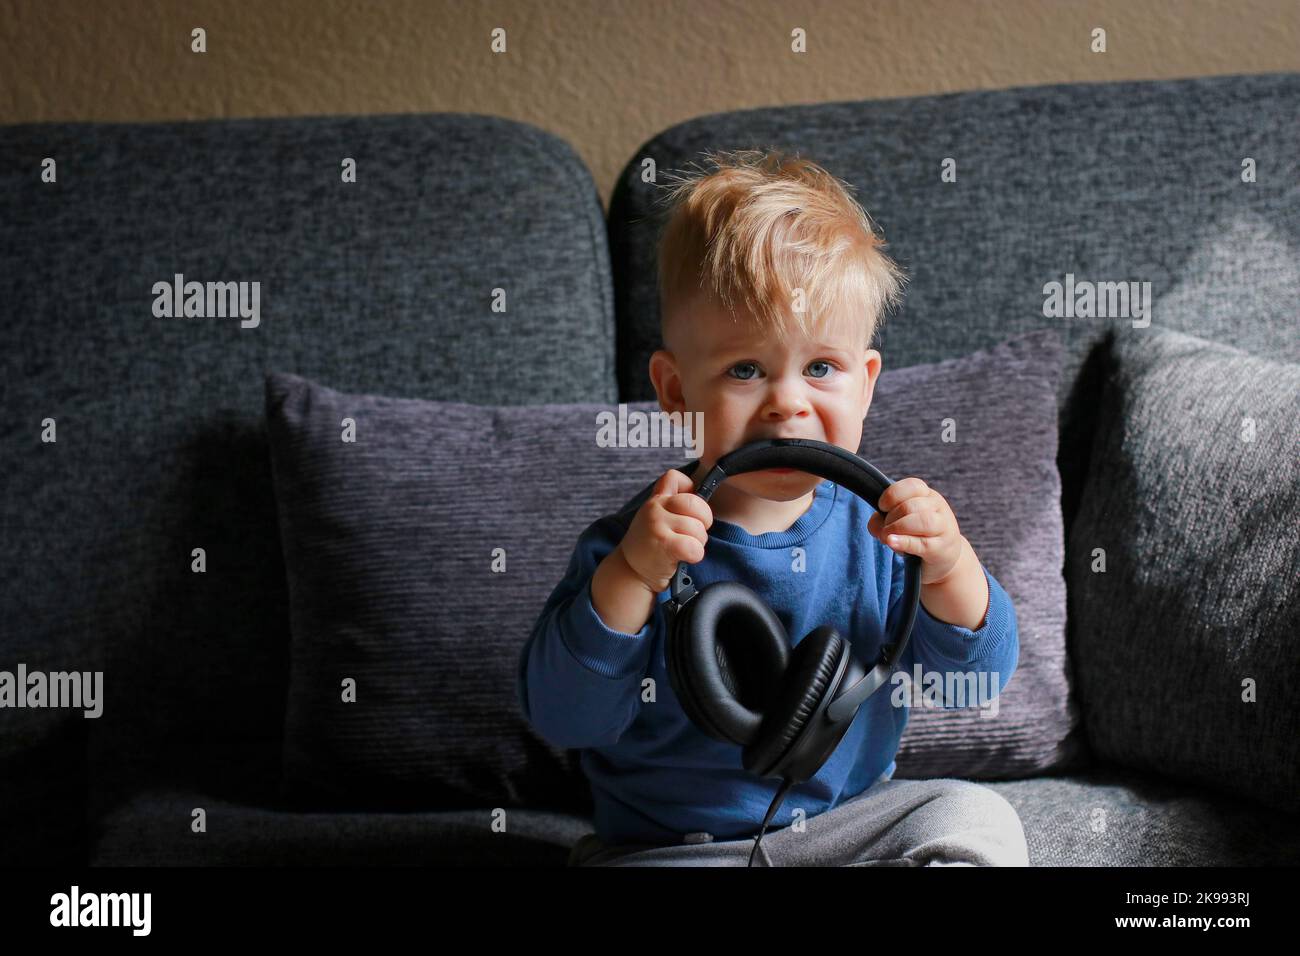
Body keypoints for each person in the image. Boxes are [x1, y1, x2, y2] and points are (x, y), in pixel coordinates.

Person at [517, 148, 1028, 867]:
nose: (789, 401)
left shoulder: (884, 538)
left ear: (866, 384)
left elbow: (978, 680)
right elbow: (566, 718)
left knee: (974, 816)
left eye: (821, 368)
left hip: (843, 832)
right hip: (668, 849)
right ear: (673, 391)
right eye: (746, 370)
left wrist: (950, 568)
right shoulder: (632, 548)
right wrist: (630, 578)